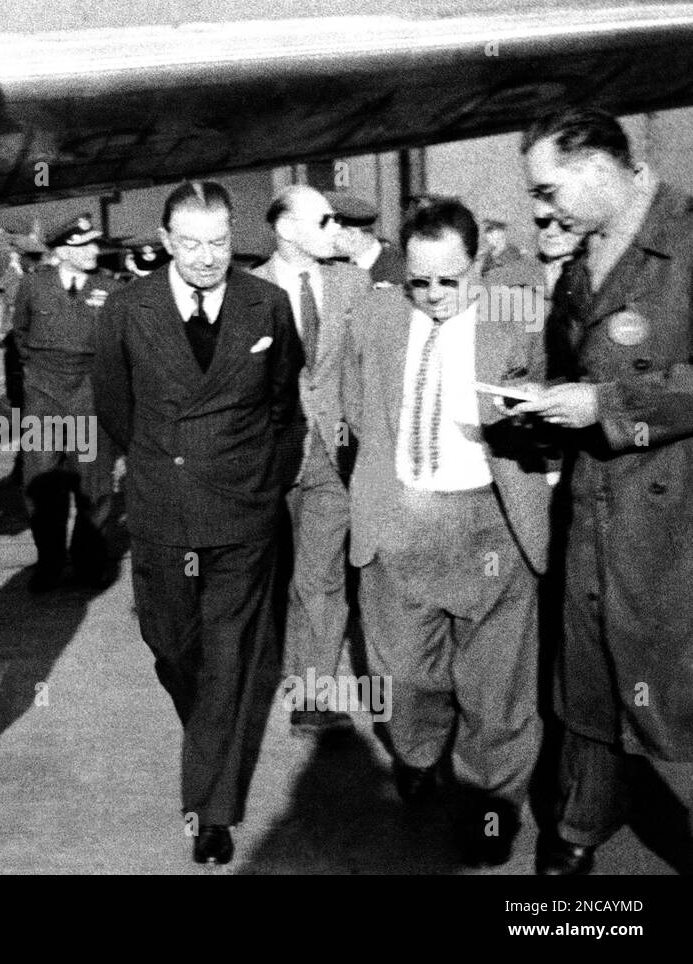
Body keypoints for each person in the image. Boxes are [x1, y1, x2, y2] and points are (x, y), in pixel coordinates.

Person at [94, 181, 304, 864]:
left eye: (218, 242)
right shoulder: (128, 309)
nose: (208, 257)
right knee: (172, 646)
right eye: (191, 244)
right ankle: (208, 732)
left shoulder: (266, 305)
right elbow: (114, 407)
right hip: (161, 508)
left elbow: (284, 411)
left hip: (242, 511)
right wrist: (158, 467)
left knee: (226, 657)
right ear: (165, 242)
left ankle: (212, 812)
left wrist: (265, 484)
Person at [342, 196, 553, 866]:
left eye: (449, 281)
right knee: (405, 675)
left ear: (480, 265)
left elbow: (547, 403)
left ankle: (489, 814)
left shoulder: (514, 318)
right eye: (420, 281)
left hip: (488, 524)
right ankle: (419, 752)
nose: (433, 295)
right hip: (401, 518)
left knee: (497, 694)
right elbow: (353, 399)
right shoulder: (375, 315)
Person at [516, 107, 693, 876]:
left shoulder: (688, 238)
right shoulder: (583, 261)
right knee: (584, 678)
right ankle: (580, 823)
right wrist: (544, 410)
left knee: (675, 680)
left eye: (548, 189)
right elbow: (577, 373)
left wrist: (610, 408)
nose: (540, 208)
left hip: (676, 518)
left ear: (597, 168)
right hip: (592, 508)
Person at [254, 185, 371, 735]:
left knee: (319, 577)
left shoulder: (353, 282)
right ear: (286, 230)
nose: (336, 229)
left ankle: (311, 695)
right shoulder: (246, 290)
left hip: (332, 455)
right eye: (324, 221)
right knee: (260, 577)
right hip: (264, 456)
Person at [12, 214, 123, 591]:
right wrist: (40, 381)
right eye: (83, 245)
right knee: (42, 489)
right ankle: (49, 564)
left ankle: (89, 565)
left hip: (90, 397)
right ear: (61, 252)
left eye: (94, 243)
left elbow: (117, 349)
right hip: (44, 398)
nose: (94, 250)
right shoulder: (33, 286)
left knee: (94, 487)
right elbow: (22, 338)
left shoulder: (110, 288)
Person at [327, 191, 407, 286]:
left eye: (334, 235)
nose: (328, 239)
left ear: (351, 234)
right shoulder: (341, 265)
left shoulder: (396, 273)